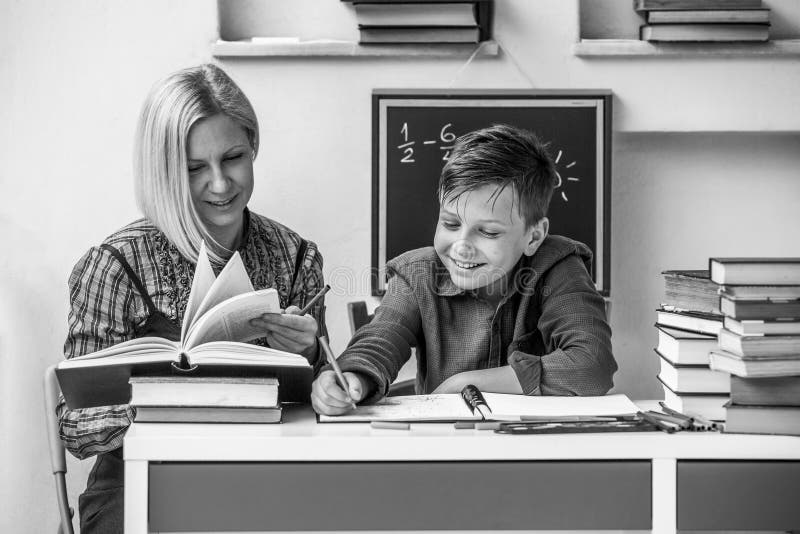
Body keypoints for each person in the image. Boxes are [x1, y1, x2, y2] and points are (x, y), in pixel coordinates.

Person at [57, 64, 328, 532]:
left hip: (265, 473)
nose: (221, 184)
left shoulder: (295, 256)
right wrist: (166, 400)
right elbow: (75, 426)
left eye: (234, 157)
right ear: (163, 169)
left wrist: (309, 357)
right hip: (142, 483)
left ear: (254, 147)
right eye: (195, 167)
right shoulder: (115, 264)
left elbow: (326, 403)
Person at [312, 123, 616, 415]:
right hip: (448, 450)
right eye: (450, 224)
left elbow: (592, 364)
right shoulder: (415, 275)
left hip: (535, 449)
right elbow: (380, 340)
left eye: (489, 232)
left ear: (533, 236)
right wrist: (353, 377)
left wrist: (465, 383)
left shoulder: (559, 267)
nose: (461, 245)